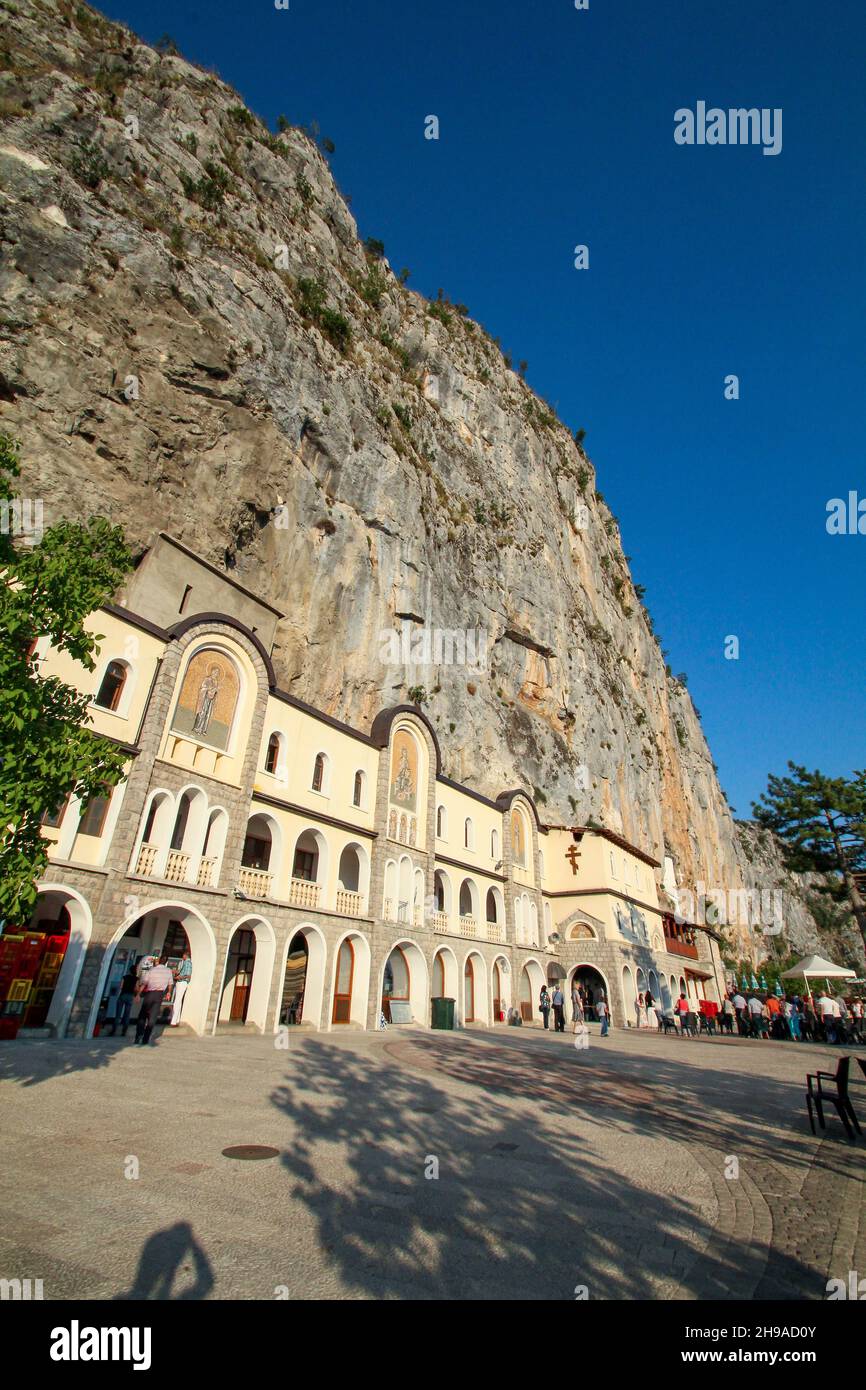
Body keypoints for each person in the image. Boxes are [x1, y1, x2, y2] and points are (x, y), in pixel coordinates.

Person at [134, 955, 174, 1046]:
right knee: (153, 1017)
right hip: (159, 995)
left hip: (150, 993)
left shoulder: (152, 970)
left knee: (142, 1015)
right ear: (166, 962)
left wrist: (138, 994)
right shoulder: (168, 971)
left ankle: (139, 1034)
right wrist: (169, 993)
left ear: (159, 961)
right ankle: (146, 1038)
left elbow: (144, 983)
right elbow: (170, 984)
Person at [108, 967, 138, 1037]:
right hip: (130, 996)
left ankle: (113, 1031)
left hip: (123, 995)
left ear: (129, 971)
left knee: (118, 1014)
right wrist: (135, 994)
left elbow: (121, 987)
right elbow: (136, 988)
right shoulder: (136, 979)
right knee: (127, 1015)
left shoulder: (124, 977)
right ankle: (124, 1031)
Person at [171, 950, 192, 1026]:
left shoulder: (187, 962)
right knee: (178, 1001)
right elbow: (182, 972)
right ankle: (176, 1020)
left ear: (185, 955)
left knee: (177, 1001)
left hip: (182, 982)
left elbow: (188, 975)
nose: (182, 956)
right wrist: (175, 972)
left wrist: (179, 977)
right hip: (181, 982)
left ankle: (173, 1020)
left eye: (183, 955)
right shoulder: (185, 963)